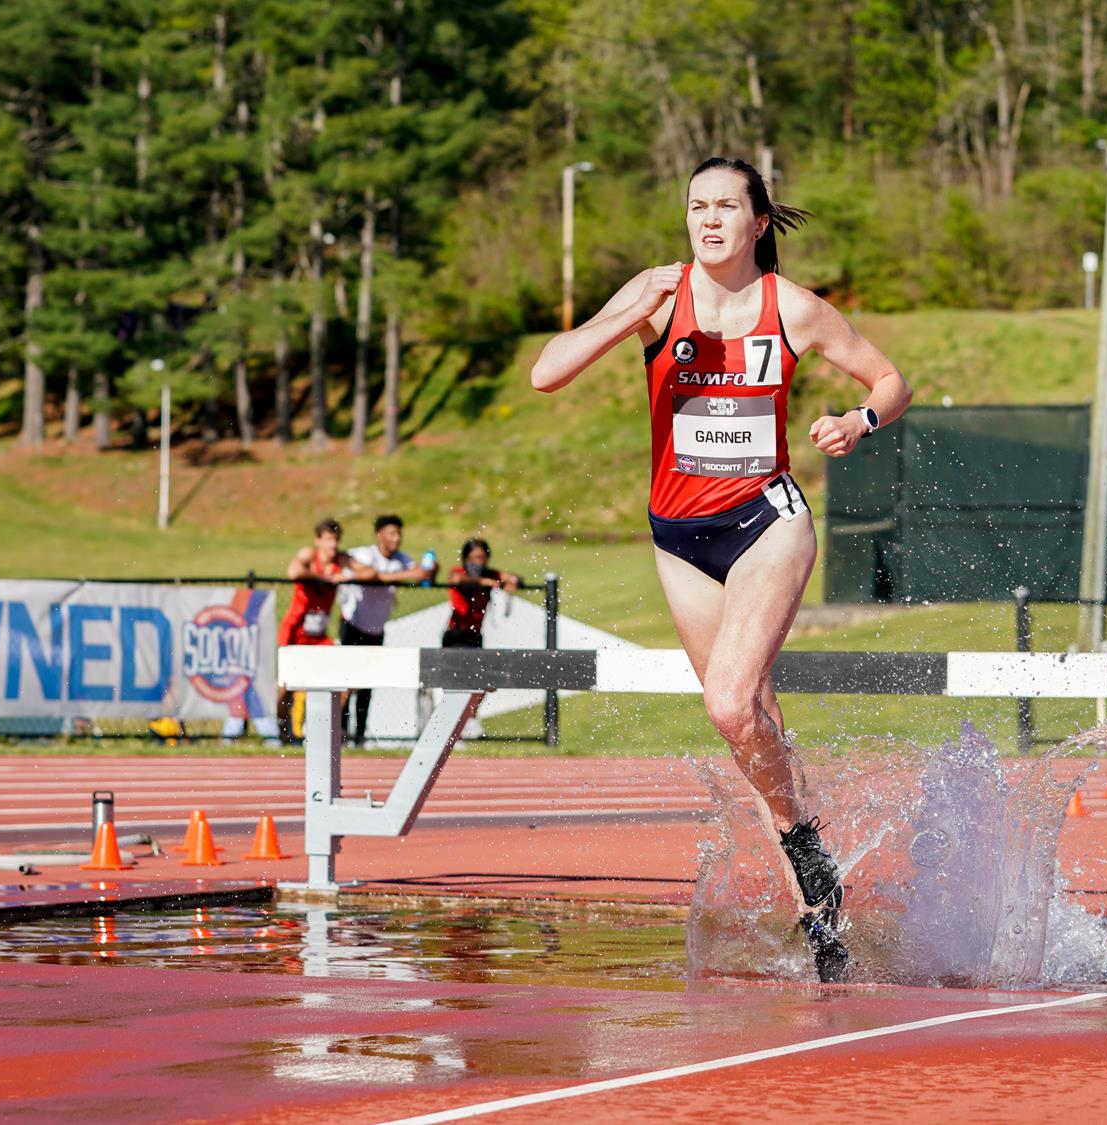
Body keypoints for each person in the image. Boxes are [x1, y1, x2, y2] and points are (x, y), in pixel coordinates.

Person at [528, 156, 912, 982]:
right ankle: (820, 905)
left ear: (758, 221)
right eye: (696, 206)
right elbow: (546, 373)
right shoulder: (656, 295)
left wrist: (859, 420)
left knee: (729, 701)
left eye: (726, 206)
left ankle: (803, 847)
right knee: (751, 722)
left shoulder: (792, 307)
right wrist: (626, 310)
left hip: (767, 521)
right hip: (679, 540)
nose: (708, 219)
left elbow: (891, 379)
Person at [276, 518, 376, 743]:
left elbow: (370, 573)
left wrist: (347, 576)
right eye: (329, 540)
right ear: (318, 540)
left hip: (319, 636)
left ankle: (324, 729)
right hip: (295, 631)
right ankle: (282, 735)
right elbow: (293, 572)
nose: (333, 545)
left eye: (336, 540)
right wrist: (322, 578)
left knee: (345, 680)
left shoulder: (341, 560)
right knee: (287, 687)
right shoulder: (309, 555)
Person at [338, 514, 435, 744]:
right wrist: (406, 575)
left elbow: (421, 575)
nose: (397, 538)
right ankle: (340, 732)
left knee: (367, 685)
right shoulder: (365, 554)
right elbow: (371, 575)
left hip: (376, 629)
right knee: (346, 682)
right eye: (392, 533)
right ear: (379, 535)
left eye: (399, 533)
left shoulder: (402, 559)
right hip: (353, 625)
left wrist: (430, 568)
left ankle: (359, 736)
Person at [443, 538, 521, 650]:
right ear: (467, 558)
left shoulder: (489, 574)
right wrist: (483, 581)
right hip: (456, 634)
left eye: (483, 557)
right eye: (476, 557)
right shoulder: (460, 572)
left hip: (475, 635)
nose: (480, 562)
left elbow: (513, 577)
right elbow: (456, 579)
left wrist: (511, 583)